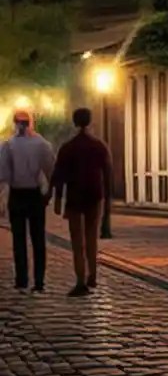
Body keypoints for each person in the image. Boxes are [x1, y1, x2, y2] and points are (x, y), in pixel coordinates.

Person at [51, 107, 112, 297]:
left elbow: (59, 175)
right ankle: (92, 275)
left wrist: (58, 199)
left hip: (75, 198)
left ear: (74, 121)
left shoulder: (68, 147)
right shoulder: (99, 145)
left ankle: (80, 280)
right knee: (91, 237)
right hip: (95, 195)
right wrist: (108, 198)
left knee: (77, 241)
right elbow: (108, 173)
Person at [0, 110, 56, 292]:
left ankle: (22, 279)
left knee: (19, 239)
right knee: (38, 239)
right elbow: (50, 170)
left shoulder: (8, 145)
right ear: (31, 123)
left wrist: (2, 199)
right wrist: (48, 194)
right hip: (34, 194)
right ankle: (39, 281)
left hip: (18, 195)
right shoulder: (41, 144)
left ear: (14, 123)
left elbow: (4, 175)